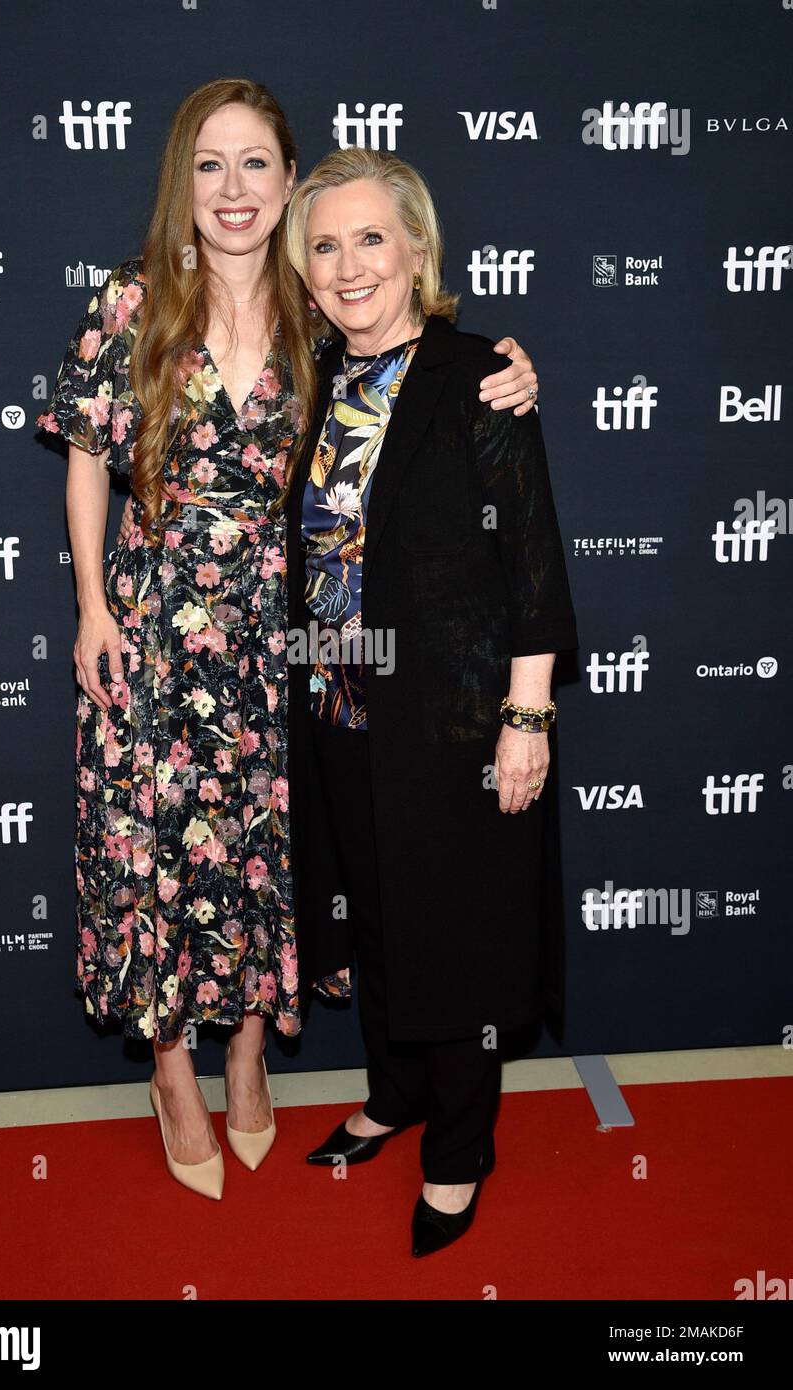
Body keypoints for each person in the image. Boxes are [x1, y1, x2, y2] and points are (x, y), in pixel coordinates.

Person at [37, 78, 541, 1200]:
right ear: (183, 180)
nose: (232, 188)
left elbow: (406, 356)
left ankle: (251, 1057)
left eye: (256, 163)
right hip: (155, 617)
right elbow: (85, 455)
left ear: (285, 179)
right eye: (209, 164)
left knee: (264, 849)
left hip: (287, 627)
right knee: (156, 848)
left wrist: (502, 364)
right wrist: (90, 606)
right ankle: (173, 1071)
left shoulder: (316, 298)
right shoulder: (132, 298)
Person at [283, 146, 578, 1255]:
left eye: (371, 238)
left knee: (454, 937)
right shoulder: (314, 380)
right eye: (324, 243)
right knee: (370, 915)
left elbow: (533, 562)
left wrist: (527, 715)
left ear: (417, 251)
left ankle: (459, 1151)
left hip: (452, 719)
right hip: (336, 711)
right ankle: (393, 1089)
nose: (348, 263)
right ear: (303, 270)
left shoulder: (477, 377)